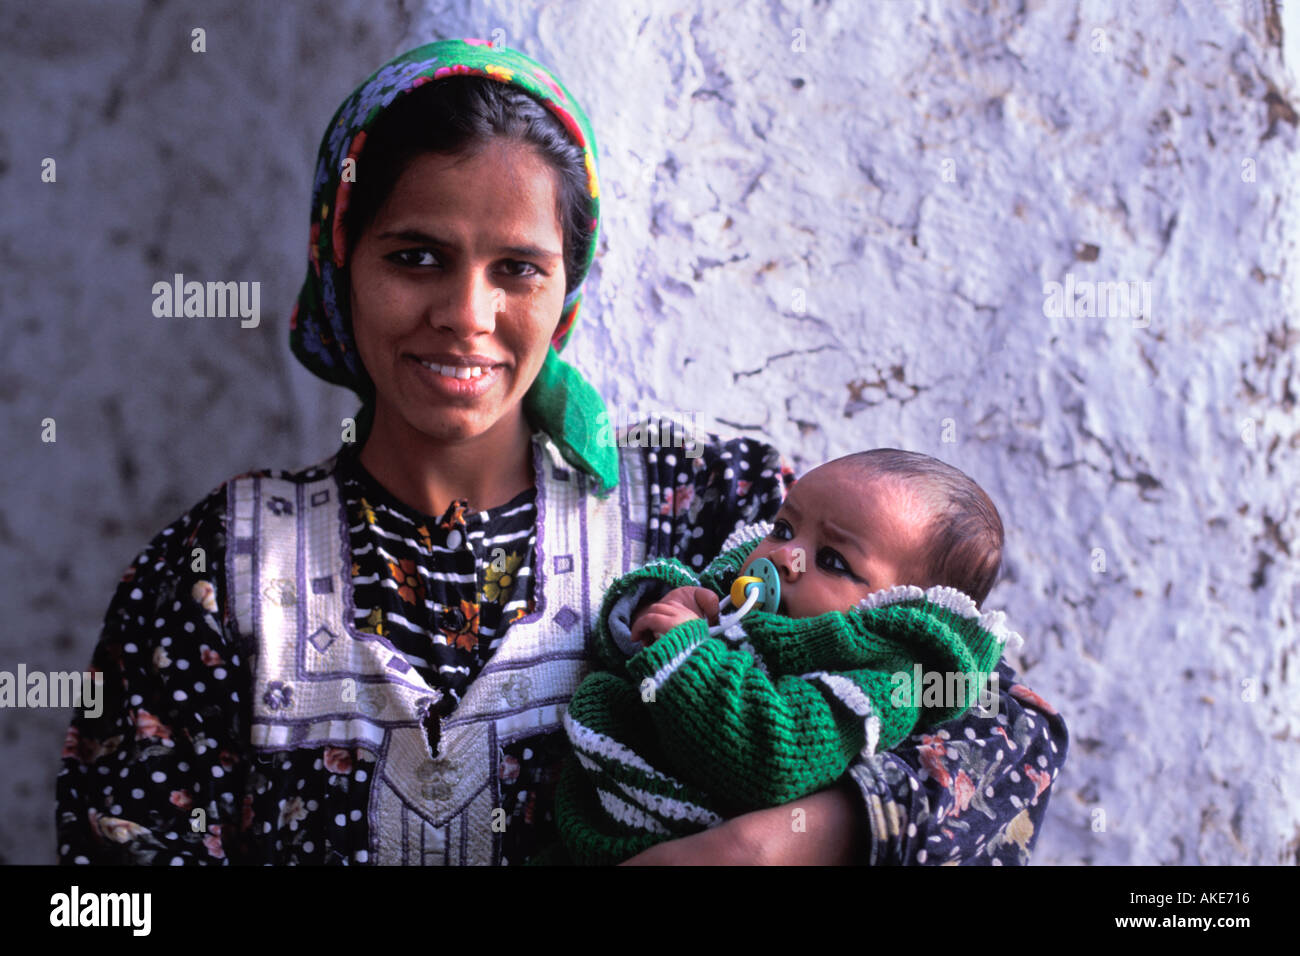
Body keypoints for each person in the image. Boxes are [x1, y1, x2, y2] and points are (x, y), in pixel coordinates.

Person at [55, 39, 1068, 866]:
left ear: (568, 290)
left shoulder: (709, 512)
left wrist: (778, 839)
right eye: (416, 256)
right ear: (338, 259)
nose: (466, 315)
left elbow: (1007, 731)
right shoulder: (223, 568)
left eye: (517, 269)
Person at [552, 449, 1025, 864]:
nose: (784, 556)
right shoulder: (739, 600)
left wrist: (688, 655)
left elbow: (769, 755)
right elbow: (632, 656)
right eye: (783, 528)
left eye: (833, 560)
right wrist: (653, 607)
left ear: (896, 605)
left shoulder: (881, 682)